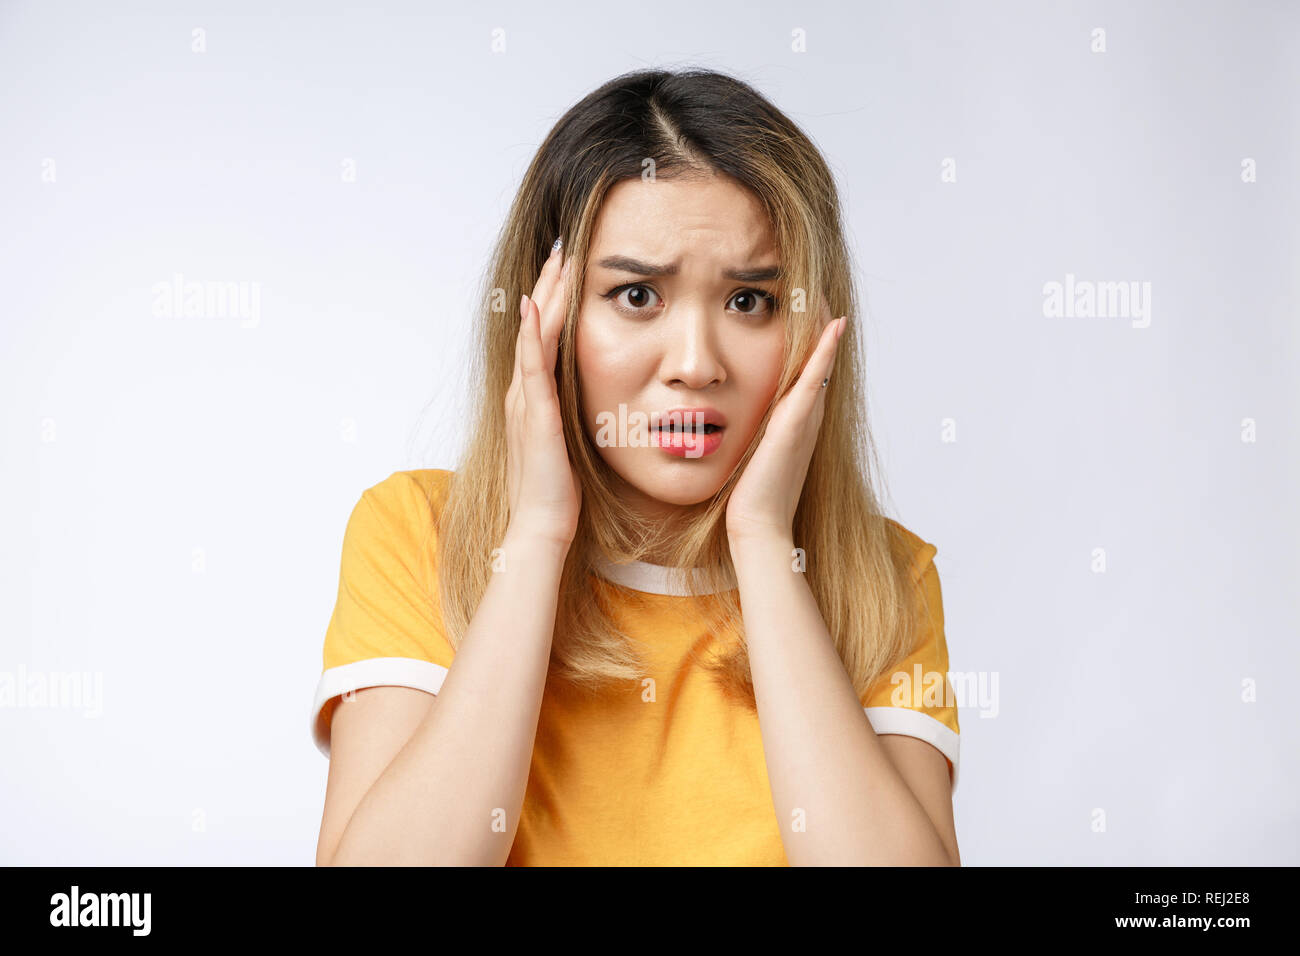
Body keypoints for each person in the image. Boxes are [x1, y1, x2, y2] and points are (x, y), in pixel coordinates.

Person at [311, 67, 961, 866]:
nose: (695, 364)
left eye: (750, 301)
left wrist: (762, 542)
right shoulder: (420, 532)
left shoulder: (886, 576)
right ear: (545, 314)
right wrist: (539, 535)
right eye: (637, 296)